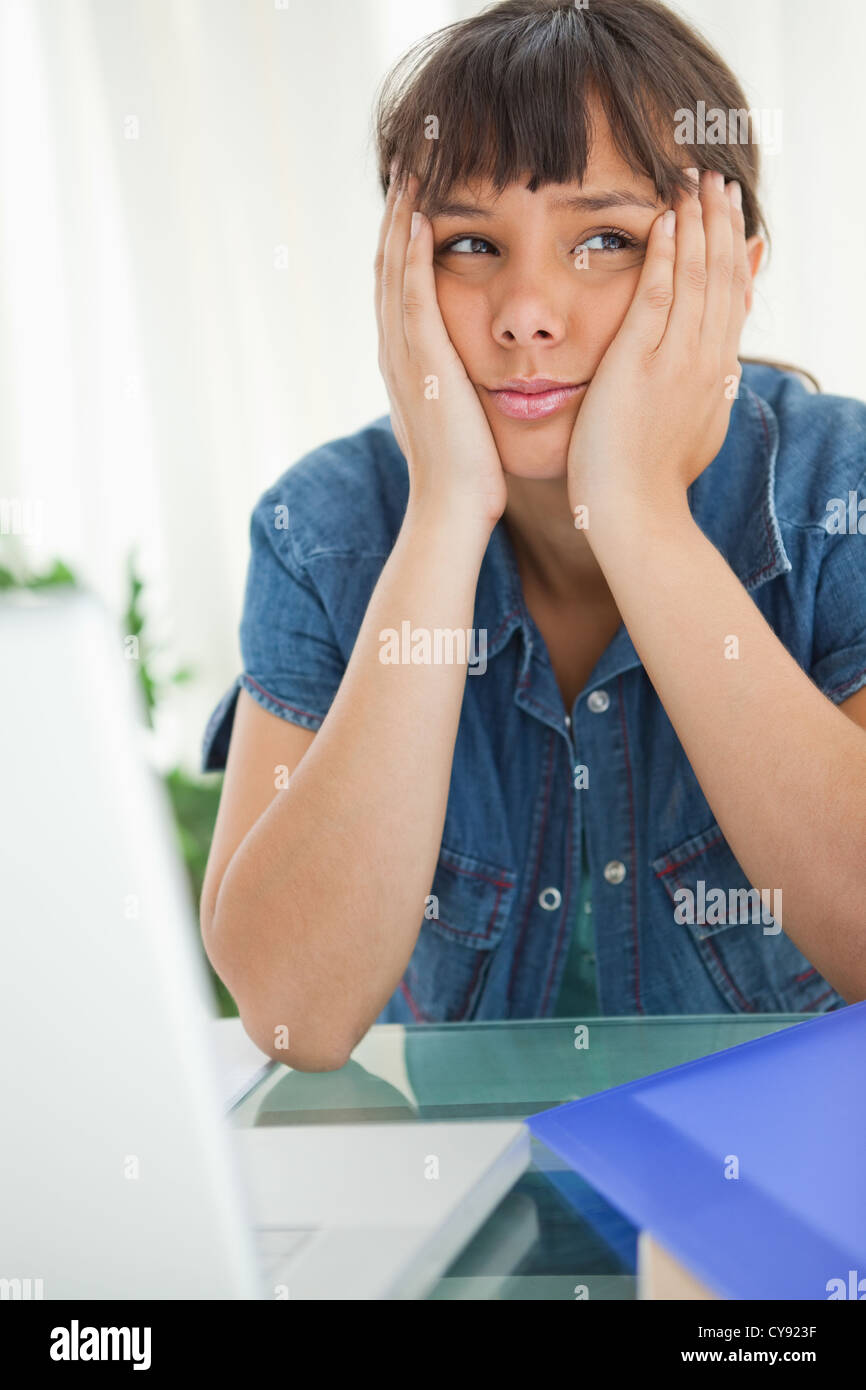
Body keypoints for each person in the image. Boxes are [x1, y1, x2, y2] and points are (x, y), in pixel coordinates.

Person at [199, 0, 866, 1072]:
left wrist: (637, 510)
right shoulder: (322, 530)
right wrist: (443, 513)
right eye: (470, 244)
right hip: (472, 1207)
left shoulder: (843, 490)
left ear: (730, 271)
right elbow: (291, 1013)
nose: (523, 311)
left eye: (602, 240)